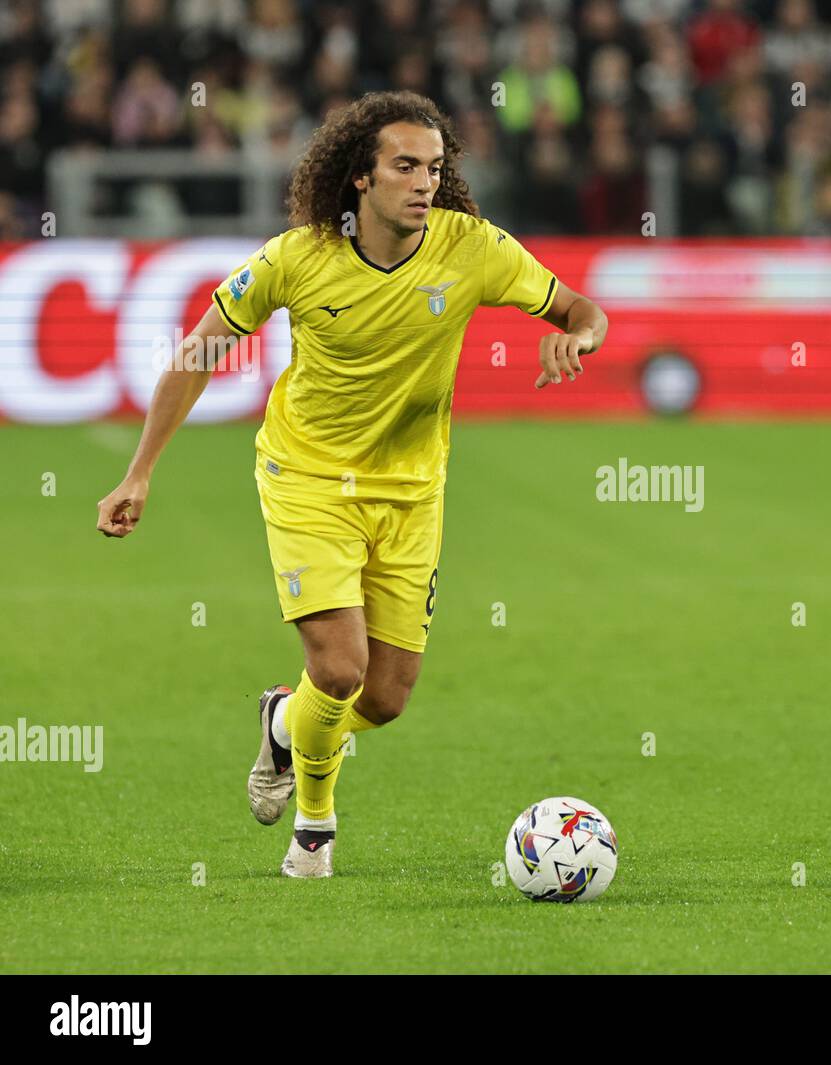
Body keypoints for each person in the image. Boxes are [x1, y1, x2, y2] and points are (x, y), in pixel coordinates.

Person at [94, 91, 609, 878]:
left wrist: (577, 338)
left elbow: (583, 309)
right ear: (360, 178)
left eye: (434, 168)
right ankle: (315, 829)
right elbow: (200, 350)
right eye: (404, 165)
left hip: (412, 492)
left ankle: (282, 721)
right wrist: (140, 470)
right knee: (339, 666)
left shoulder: (472, 248)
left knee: (386, 696)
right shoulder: (297, 258)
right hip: (306, 478)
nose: (423, 182)